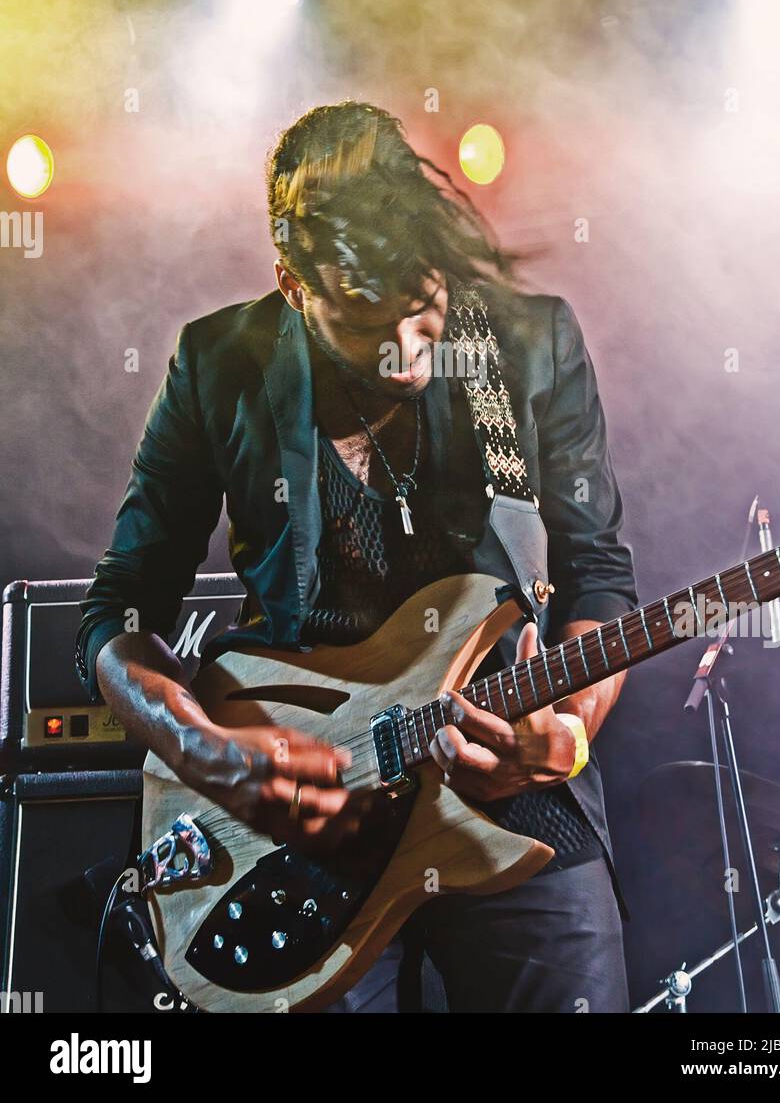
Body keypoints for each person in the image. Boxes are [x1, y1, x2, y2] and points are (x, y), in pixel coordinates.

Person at [76, 100, 638, 1012]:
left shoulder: (527, 345)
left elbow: (598, 572)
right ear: (295, 289)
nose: (410, 356)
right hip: (307, 823)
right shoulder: (220, 362)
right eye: (370, 327)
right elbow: (122, 606)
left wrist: (567, 732)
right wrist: (206, 750)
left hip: (508, 794)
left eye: (424, 315)